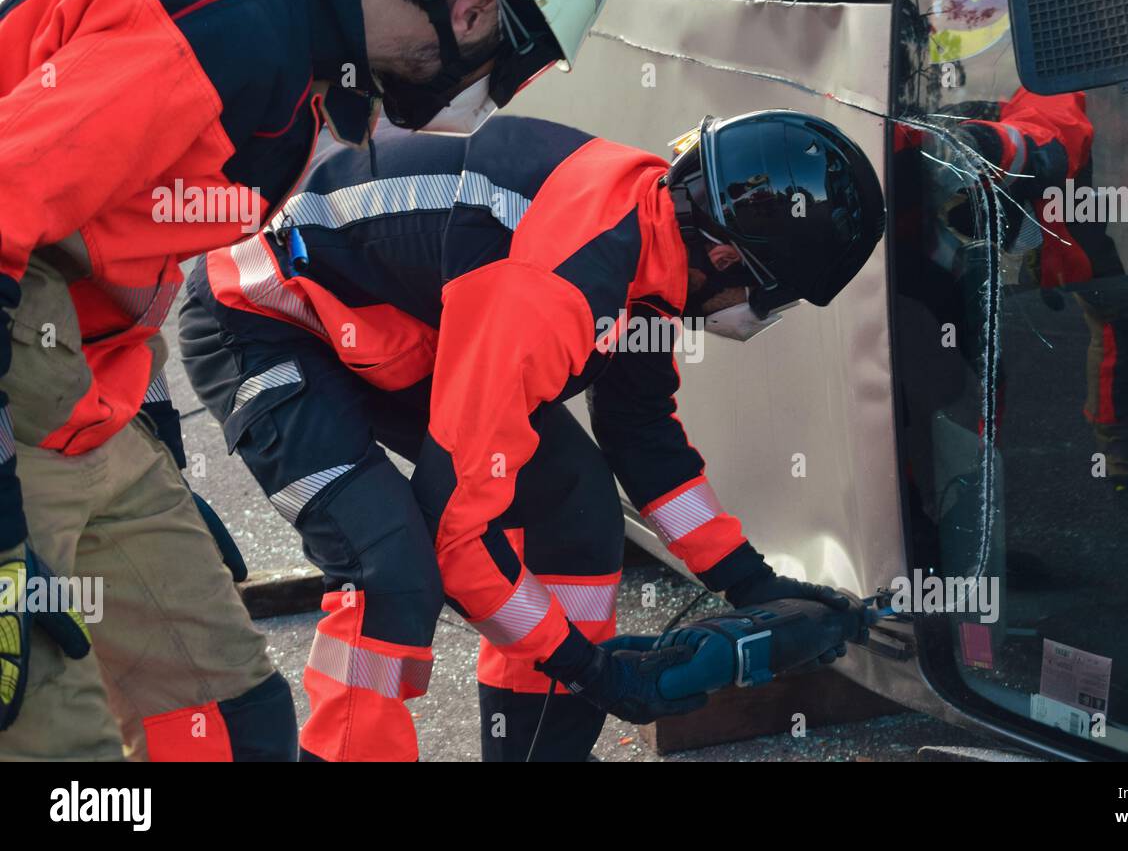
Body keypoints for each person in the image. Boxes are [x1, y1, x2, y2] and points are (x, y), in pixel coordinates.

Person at [0, 0, 621, 760]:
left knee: (231, 721)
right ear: (472, 10)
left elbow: (109, 255)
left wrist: (154, 437)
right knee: (65, 756)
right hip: (19, 392)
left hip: (67, 379)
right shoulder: (226, 22)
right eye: (506, 67)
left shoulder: (290, 62)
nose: (490, 95)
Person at [178, 109, 885, 761]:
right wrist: (589, 668)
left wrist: (753, 583)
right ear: (730, 260)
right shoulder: (553, 289)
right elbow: (460, 536)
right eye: (773, 295)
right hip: (267, 320)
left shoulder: (654, 235)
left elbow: (643, 439)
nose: (761, 314)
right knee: (389, 567)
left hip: (404, 333)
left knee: (576, 509)